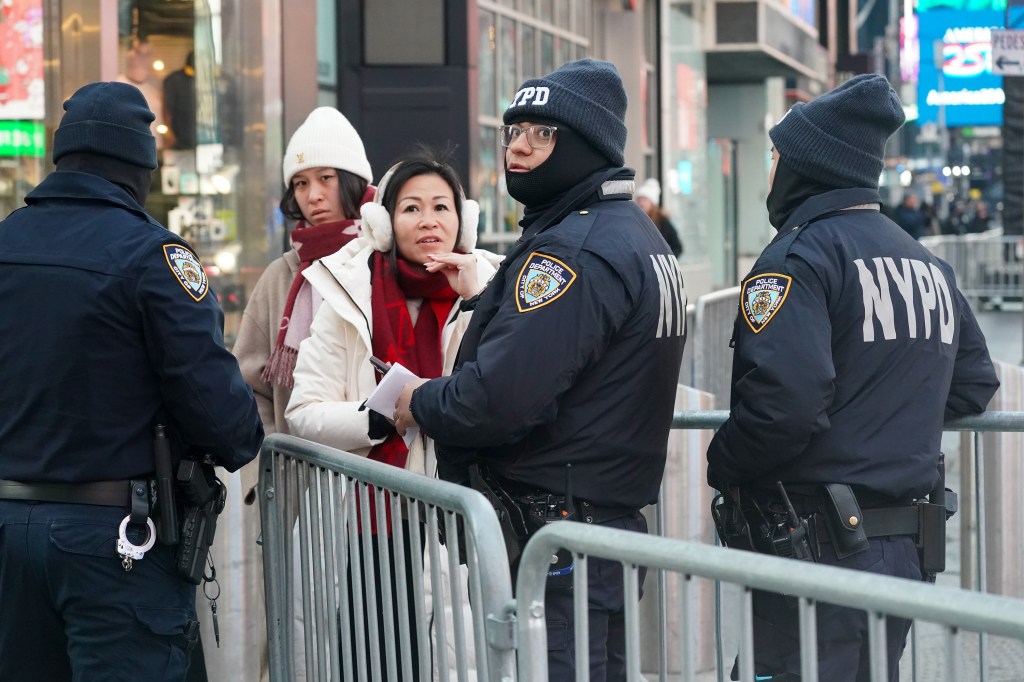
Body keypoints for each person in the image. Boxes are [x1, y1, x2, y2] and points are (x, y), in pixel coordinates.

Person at [393, 59, 688, 681]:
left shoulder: (573, 249)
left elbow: (498, 398)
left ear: (586, 144)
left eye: (542, 133)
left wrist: (418, 400)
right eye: (514, 131)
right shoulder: (634, 236)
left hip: (560, 542)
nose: (519, 147)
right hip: (594, 534)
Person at [705, 74, 1000, 682]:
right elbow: (973, 384)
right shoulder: (927, 264)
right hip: (902, 549)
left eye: (776, 158)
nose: (770, 173)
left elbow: (783, 408)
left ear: (806, 166)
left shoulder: (796, 258)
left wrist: (721, 461)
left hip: (814, 548)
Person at [0, 82, 263, 681]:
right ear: (142, 167)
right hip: (115, 549)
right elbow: (228, 427)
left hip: (8, 535)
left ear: (62, 157)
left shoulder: (5, 243)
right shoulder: (156, 257)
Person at [285, 148, 502, 680]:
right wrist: (380, 418)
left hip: (463, 515)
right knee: (374, 658)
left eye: (441, 207)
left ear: (463, 219)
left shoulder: (494, 288)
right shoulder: (343, 293)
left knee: (459, 658)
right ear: (383, 223)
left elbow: (503, 393)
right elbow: (303, 413)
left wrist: (474, 304)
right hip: (369, 520)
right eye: (411, 208)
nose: (428, 220)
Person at [230, 105, 375, 681]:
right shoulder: (279, 276)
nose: (313, 194)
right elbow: (248, 383)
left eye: (325, 179)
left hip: (378, 488)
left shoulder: (379, 262)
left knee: (372, 628)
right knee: (294, 630)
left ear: (353, 184)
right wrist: (273, 454)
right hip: (296, 486)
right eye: (300, 183)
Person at [635, 177, 683, 256]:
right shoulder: (634, 220)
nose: (641, 203)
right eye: (639, 199)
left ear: (652, 202)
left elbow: (677, 247)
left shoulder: (663, 222)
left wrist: (666, 261)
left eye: (644, 199)